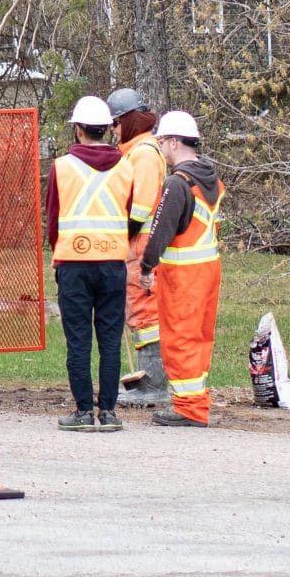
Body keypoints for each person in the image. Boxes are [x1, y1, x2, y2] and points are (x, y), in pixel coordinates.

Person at [46, 95, 135, 433]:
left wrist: (60, 251)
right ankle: (109, 412)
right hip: (113, 262)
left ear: (79, 129)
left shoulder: (61, 166)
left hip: (74, 262)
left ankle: (84, 411)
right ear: (108, 129)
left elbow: (53, 219)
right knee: (110, 340)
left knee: (79, 340)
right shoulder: (126, 166)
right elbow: (128, 212)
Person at [140, 109, 225, 428]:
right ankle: (196, 400)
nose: (160, 149)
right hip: (208, 270)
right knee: (201, 337)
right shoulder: (210, 177)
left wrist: (147, 265)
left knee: (180, 337)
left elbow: (161, 229)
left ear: (174, 143)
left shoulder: (178, 183)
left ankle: (189, 408)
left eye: (162, 141)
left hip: (183, 275)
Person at [106, 86, 168, 406]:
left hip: (140, 241)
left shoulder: (143, 153)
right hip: (136, 240)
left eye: (115, 123)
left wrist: (121, 233)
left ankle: (155, 383)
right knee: (139, 311)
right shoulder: (135, 150)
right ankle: (151, 379)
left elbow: (140, 207)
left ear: (127, 120)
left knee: (146, 313)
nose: (112, 130)